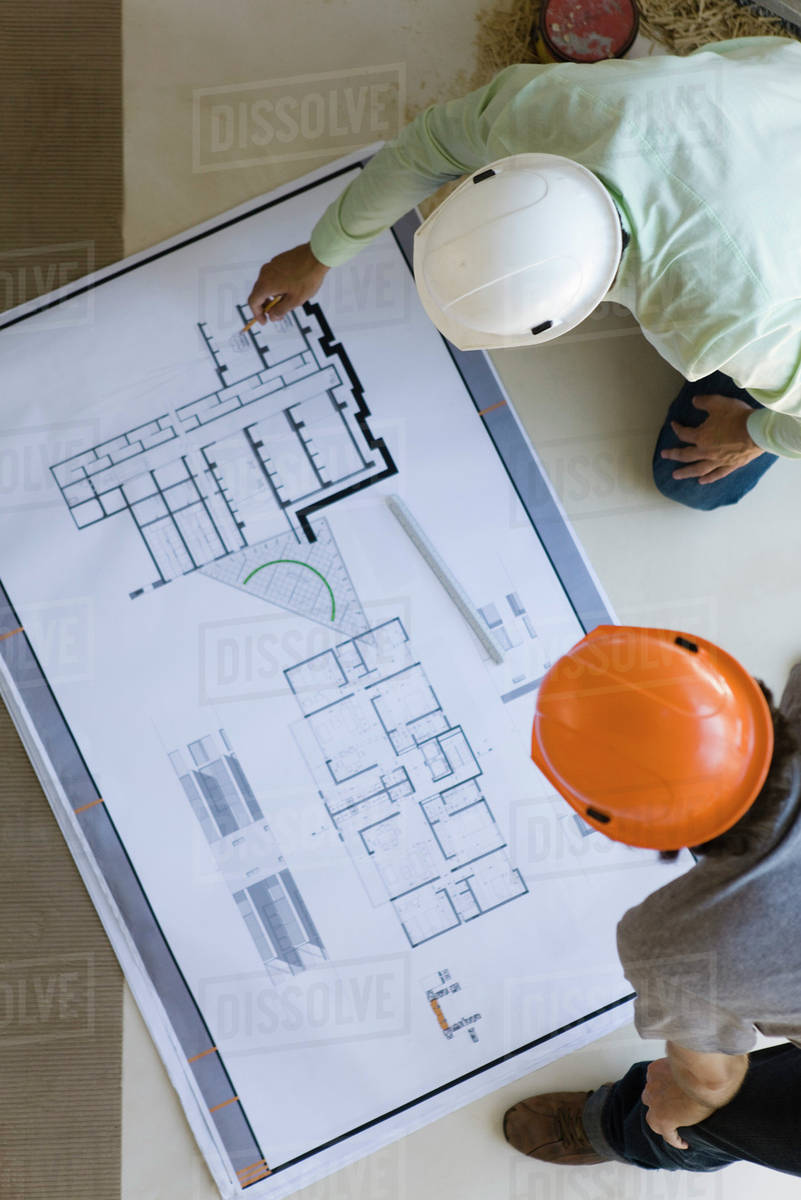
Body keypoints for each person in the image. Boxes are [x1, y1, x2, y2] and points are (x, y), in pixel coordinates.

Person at [247, 36, 801, 511]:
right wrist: (320, 253)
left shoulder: (732, 327)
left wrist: (754, 432)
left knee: (688, 484)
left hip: (770, 253)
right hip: (779, 91)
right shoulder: (544, 111)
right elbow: (426, 149)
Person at [502, 624, 801, 1178]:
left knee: (701, 1113)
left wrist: (686, 1096)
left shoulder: (675, 940)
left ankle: (624, 1127)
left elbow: (713, 1080)